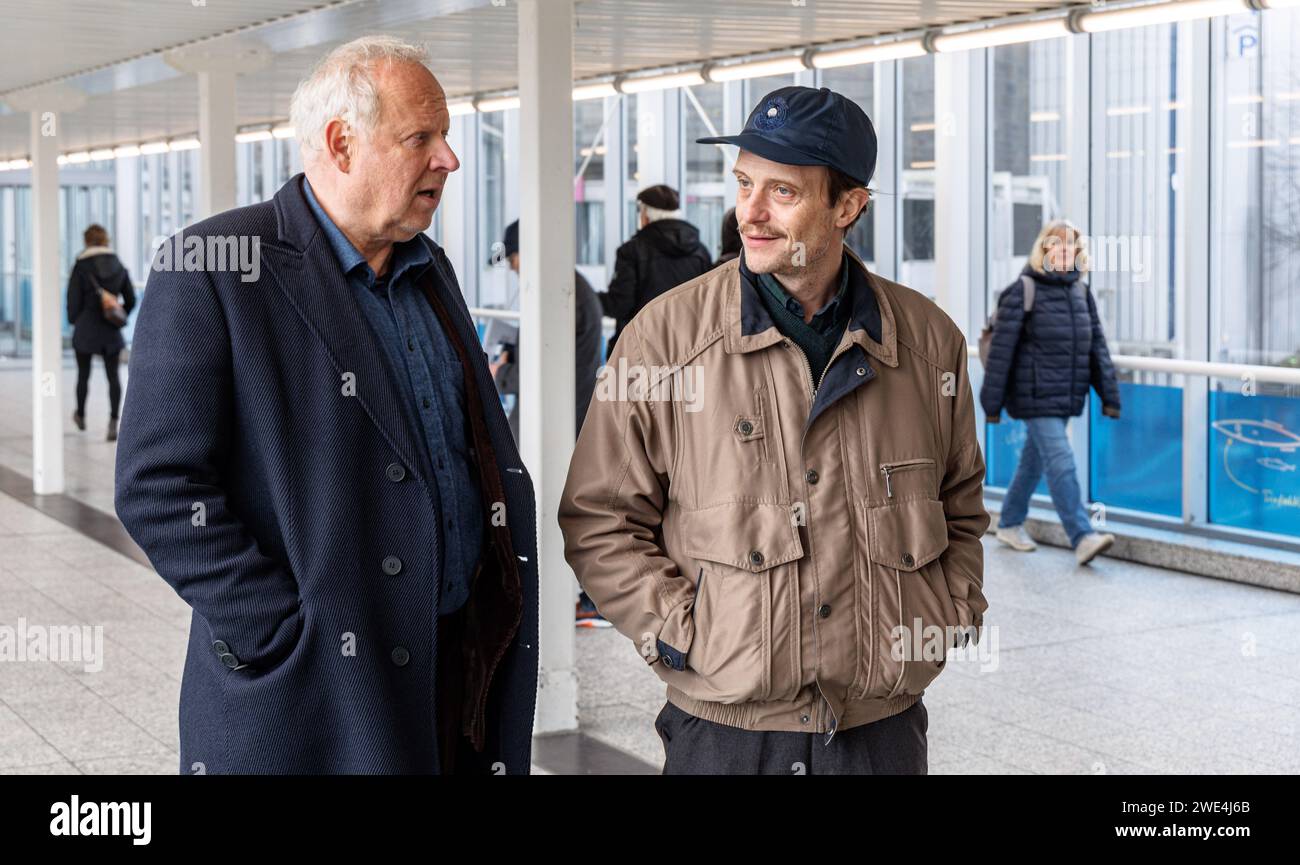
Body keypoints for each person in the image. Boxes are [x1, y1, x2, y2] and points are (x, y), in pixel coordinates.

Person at [114, 36, 538, 774]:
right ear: (342, 143)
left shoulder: (427, 266)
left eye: (448, 137)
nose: (449, 160)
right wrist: (281, 632)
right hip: (316, 692)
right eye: (422, 138)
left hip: (451, 672)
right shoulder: (214, 265)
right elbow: (156, 488)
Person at [559, 86, 989, 775]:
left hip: (880, 736)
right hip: (726, 736)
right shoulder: (662, 341)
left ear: (848, 206)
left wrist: (948, 608)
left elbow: (961, 503)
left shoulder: (931, 345)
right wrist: (682, 633)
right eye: (744, 184)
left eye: (782, 192)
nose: (749, 214)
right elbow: (598, 517)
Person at [980, 219, 1121, 566]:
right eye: (1055, 245)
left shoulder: (1080, 292)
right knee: (1061, 461)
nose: (1062, 251)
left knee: (1034, 461)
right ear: (1043, 250)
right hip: (1034, 395)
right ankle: (1083, 535)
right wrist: (992, 403)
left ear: (1077, 252)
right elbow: (1001, 351)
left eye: (1069, 245)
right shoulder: (1023, 289)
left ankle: (1009, 523)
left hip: (1065, 396)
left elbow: (1097, 348)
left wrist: (1110, 396)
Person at [487, 219, 603, 442]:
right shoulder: (569, 287)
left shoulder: (559, 296)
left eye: (513, 259)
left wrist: (499, 372)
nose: (512, 267)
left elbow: (543, 370)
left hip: (557, 426)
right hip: (567, 418)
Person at [600, 184, 712, 351]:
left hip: (640, 352)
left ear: (645, 215)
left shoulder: (632, 251)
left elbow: (620, 304)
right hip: (687, 352)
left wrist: (587, 297)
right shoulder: (701, 252)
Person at [66, 224, 135, 441]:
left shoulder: (81, 266)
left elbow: (73, 301)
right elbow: (131, 299)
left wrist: (75, 320)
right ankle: (114, 421)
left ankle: (81, 414)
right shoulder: (118, 265)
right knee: (113, 376)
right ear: (106, 240)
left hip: (86, 328)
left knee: (83, 374)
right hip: (110, 331)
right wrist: (117, 314)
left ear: (86, 241)